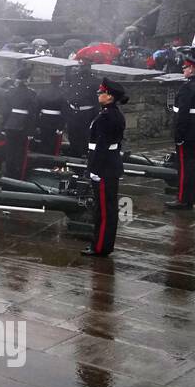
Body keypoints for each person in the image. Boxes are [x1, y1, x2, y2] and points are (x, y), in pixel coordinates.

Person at [82, 78, 127, 257]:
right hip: (110, 164)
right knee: (106, 207)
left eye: (102, 93)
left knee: (104, 209)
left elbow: (102, 145)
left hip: (104, 166)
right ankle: (103, 244)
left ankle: (100, 246)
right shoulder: (111, 114)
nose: (99, 95)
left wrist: (94, 169)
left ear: (109, 97)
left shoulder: (108, 116)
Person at [169, 49, 195, 211]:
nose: (183, 69)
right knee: (192, 166)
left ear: (192, 69)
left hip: (187, 131)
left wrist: (178, 135)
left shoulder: (187, 88)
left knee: (184, 167)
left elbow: (182, 115)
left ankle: (183, 200)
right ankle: (190, 197)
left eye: (185, 67)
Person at [0, 66, 39, 179]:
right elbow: (32, 114)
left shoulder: (10, 92)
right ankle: (18, 175)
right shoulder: (31, 93)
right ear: (27, 80)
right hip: (24, 126)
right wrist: (31, 131)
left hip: (10, 124)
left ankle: (8, 173)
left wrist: (3, 127)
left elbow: (5, 111)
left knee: (10, 151)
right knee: (20, 153)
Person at [64, 55, 100, 155]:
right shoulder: (73, 78)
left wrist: (95, 116)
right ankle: (74, 154)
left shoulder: (96, 81)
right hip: (73, 112)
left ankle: (85, 155)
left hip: (87, 113)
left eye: (84, 67)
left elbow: (97, 101)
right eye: (80, 66)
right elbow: (69, 93)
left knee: (85, 136)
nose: (81, 69)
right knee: (72, 135)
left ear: (89, 67)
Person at [35, 72, 68, 156]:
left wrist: (37, 122)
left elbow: (37, 108)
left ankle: (42, 157)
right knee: (53, 142)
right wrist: (61, 125)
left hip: (44, 119)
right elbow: (65, 111)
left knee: (44, 139)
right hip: (56, 120)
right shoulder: (63, 93)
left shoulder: (42, 92)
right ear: (60, 81)